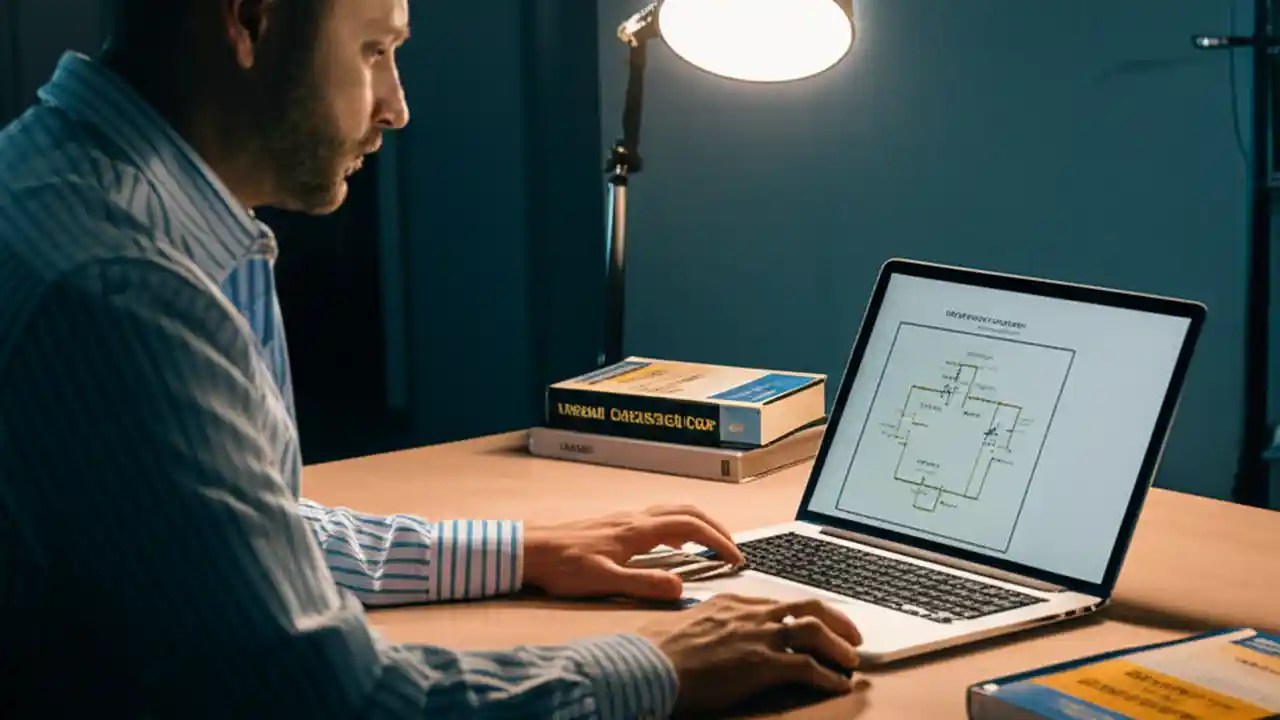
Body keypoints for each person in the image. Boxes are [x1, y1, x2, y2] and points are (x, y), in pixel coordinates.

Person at [0, 0, 863, 716]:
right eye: (374, 50)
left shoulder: (61, 183)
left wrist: (520, 550)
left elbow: (225, 532)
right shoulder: (122, 288)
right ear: (251, 19)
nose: (397, 105)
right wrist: (658, 666)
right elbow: (334, 699)